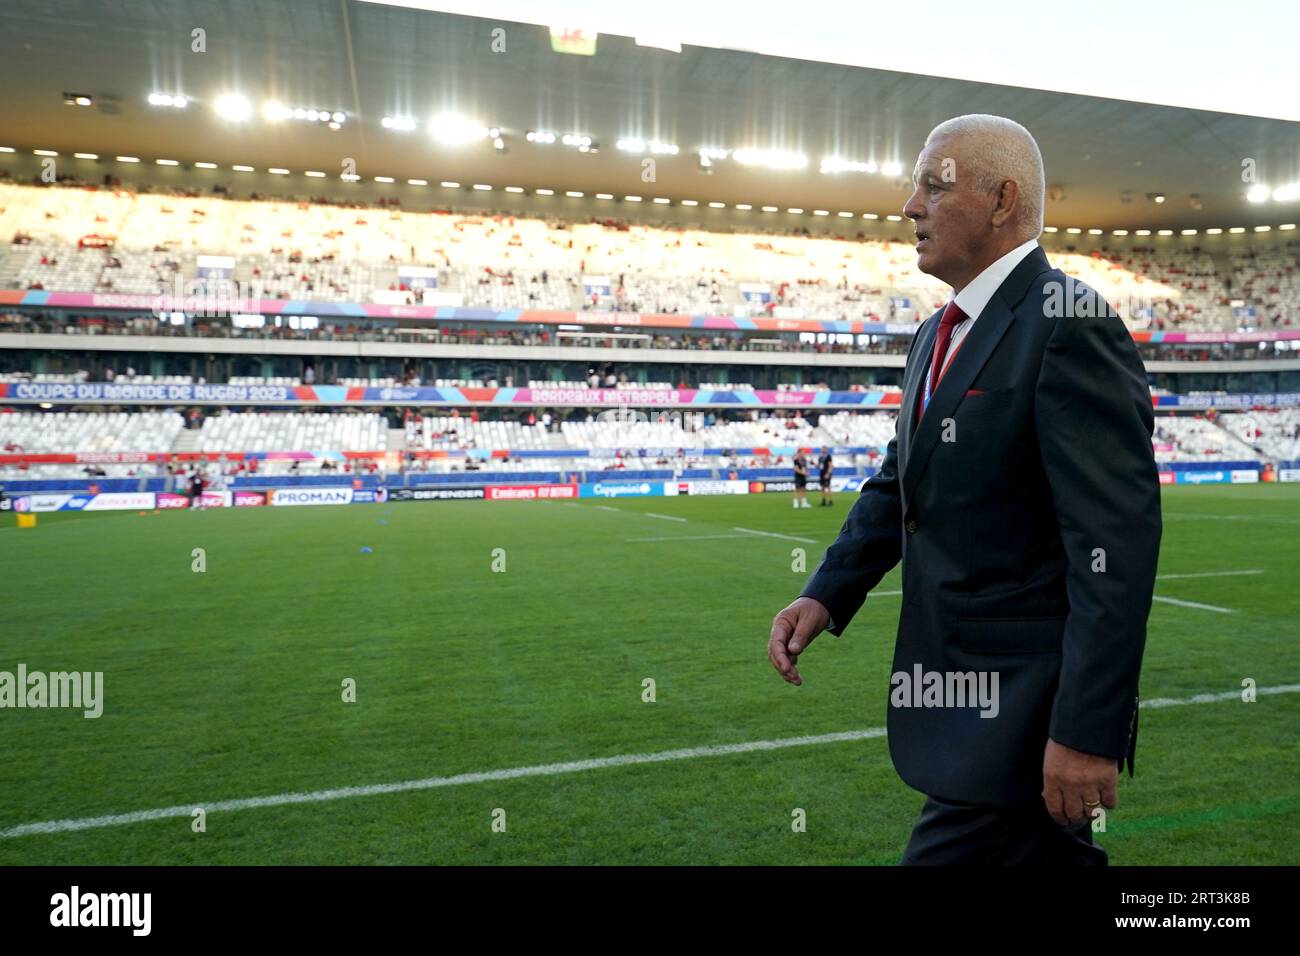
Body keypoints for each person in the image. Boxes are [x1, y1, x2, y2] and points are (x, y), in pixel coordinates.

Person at [766, 114, 1161, 865]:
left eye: (932, 185)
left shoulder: (1067, 324)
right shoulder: (934, 334)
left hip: (1021, 717)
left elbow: (1115, 549)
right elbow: (900, 481)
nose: (910, 206)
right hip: (965, 715)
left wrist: (1086, 729)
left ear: (1002, 199)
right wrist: (827, 591)